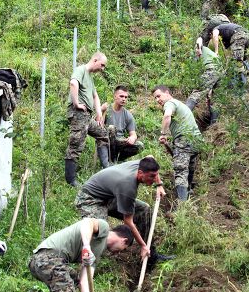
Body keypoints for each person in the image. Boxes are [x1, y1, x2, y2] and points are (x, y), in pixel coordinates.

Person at [75, 157, 171, 264]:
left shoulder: (143, 164)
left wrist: (159, 184)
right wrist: (142, 245)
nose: (154, 179)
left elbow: (151, 157)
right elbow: (128, 222)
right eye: (152, 176)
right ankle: (88, 261)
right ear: (140, 173)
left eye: (155, 176)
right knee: (100, 230)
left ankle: (151, 255)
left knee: (144, 209)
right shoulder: (128, 187)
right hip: (90, 198)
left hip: (109, 196)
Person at [65, 53, 110, 187]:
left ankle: (106, 167)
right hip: (78, 114)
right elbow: (73, 83)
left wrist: (99, 113)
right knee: (76, 144)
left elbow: (95, 96)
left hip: (87, 116)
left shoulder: (89, 77)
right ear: (95, 60)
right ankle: (70, 181)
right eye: (102, 65)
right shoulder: (81, 70)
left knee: (102, 133)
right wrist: (76, 103)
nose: (102, 68)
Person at [152, 85, 202, 201]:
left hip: (184, 140)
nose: (157, 100)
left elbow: (167, 115)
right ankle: (188, 192)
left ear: (167, 93)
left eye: (159, 96)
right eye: (155, 98)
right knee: (189, 166)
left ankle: (182, 205)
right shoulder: (180, 104)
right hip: (197, 141)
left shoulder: (169, 103)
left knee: (180, 171)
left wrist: (163, 133)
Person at [98, 85, 144, 165]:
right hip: (105, 140)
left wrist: (132, 138)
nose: (124, 99)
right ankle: (111, 160)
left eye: (126, 97)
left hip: (120, 141)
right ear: (115, 96)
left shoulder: (127, 114)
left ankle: (119, 159)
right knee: (111, 129)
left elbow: (133, 134)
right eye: (121, 96)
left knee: (140, 145)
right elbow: (97, 125)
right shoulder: (107, 109)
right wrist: (101, 110)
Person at [186, 37, 223, 124]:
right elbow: (211, 81)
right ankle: (213, 126)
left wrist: (198, 48)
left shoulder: (200, 48)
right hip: (221, 72)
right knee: (216, 100)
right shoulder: (210, 54)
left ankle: (183, 114)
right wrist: (208, 94)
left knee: (197, 92)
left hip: (212, 69)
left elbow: (199, 38)